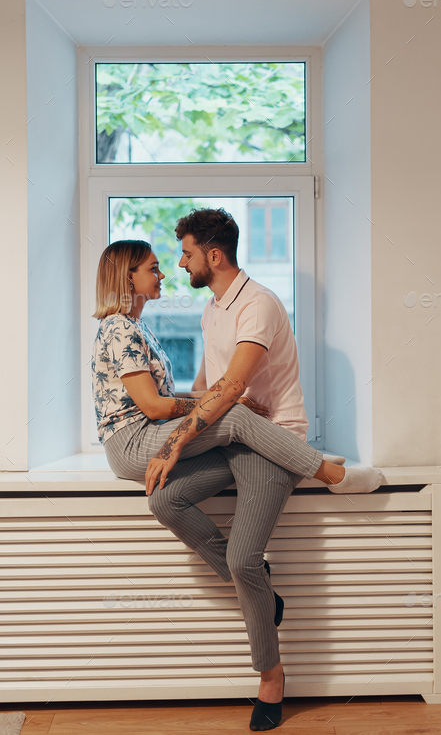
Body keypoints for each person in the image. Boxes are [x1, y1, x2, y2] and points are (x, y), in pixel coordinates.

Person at [92, 233, 382, 730]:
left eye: (178, 258)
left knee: (182, 510)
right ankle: (328, 473)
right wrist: (219, 410)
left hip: (259, 437)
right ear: (128, 278)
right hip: (154, 440)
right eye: (155, 267)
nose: (169, 270)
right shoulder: (129, 326)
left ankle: (268, 661)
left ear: (214, 255)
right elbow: (185, 401)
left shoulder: (253, 306)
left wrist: (204, 417)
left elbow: (213, 392)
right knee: (233, 419)